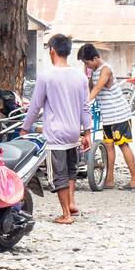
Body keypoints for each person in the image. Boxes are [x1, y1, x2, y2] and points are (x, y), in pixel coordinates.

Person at [22, 33, 91, 225]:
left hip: (55, 134)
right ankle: (71, 205)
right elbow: (85, 107)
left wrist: (25, 129)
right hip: (73, 132)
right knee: (70, 170)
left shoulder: (46, 76)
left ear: (52, 51)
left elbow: (35, 106)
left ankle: (66, 214)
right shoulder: (80, 76)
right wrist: (87, 133)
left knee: (58, 174)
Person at [77, 43, 135, 190]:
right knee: (108, 146)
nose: (86, 66)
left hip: (119, 114)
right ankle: (109, 179)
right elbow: (89, 88)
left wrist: (84, 105)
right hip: (108, 116)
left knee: (123, 145)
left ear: (95, 58)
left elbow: (97, 88)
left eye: (87, 62)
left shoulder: (106, 69)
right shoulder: (93, 71)